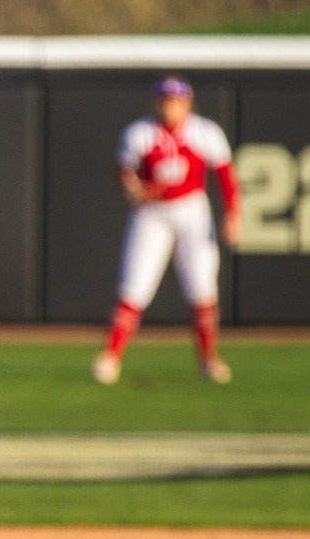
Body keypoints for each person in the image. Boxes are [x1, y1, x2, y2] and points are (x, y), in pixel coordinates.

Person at [94, 76, 242, 385]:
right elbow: (125, 175)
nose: (170, 106)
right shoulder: (140, 133)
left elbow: (226, 175)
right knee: (134, 285)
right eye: (164, 100)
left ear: (187, 102)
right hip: (152, 214)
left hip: (192, 211)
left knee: (202, 286)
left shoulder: (205, 132)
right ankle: (111, 355)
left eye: (175, 100)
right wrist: (137, 189)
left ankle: (208, 358)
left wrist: (233, 213)